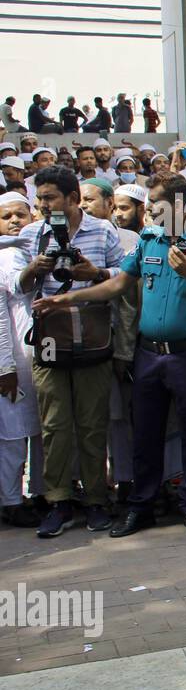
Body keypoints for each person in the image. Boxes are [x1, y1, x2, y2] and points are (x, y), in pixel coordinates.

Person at [33, 175, 186, 538]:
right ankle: (140, 505)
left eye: (158, 204)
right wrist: (66, 298)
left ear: (181, 207)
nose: (152, 211)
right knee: (144, 433)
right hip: (148, 354)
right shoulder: (148, 239)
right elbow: (117, 284)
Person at [13, 166, 124, 537]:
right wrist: (35, 266)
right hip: (49, 340)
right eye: (40, 198)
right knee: (54, 425)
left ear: (73, 198)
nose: (43, 205)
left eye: (50, 198)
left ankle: (96, 499)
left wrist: (94, 273)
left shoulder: (104, 230)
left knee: (92, 425)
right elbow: (19, 288)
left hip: (93, 337)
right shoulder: (33, 234)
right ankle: (58, 500)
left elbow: (123, 277)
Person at [0, 192, 43, 527]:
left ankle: (39, 493)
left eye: (20, 214)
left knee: (42, 431)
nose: (14, 221)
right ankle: (12, 501)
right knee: (14, 436)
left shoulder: (32, 248)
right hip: (14, 362)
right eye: (6, 216)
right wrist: (5, 367)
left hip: (40, 358)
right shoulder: (6, 256)